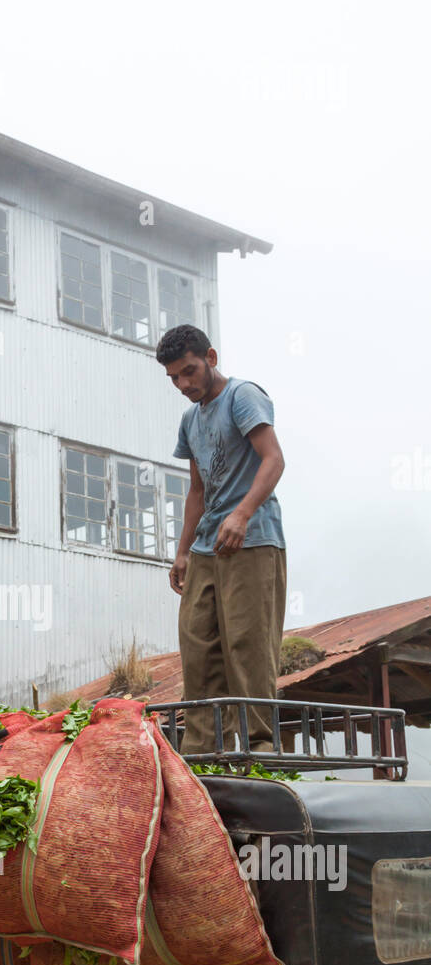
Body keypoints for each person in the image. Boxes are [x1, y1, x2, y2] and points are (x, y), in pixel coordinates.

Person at [156, 323, 287, 755]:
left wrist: (243, 513)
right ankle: (203, 749)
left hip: (252, 539)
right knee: (197, 643)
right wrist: (181, 552)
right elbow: (197, 489)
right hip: (206, 547)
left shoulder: (242, 395)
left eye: (189, 371)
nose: (183, 383)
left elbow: (273, 459)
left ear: (210, 358)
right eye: (174, 377)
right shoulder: (190, 419)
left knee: (246, 644)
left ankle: (260, 747)